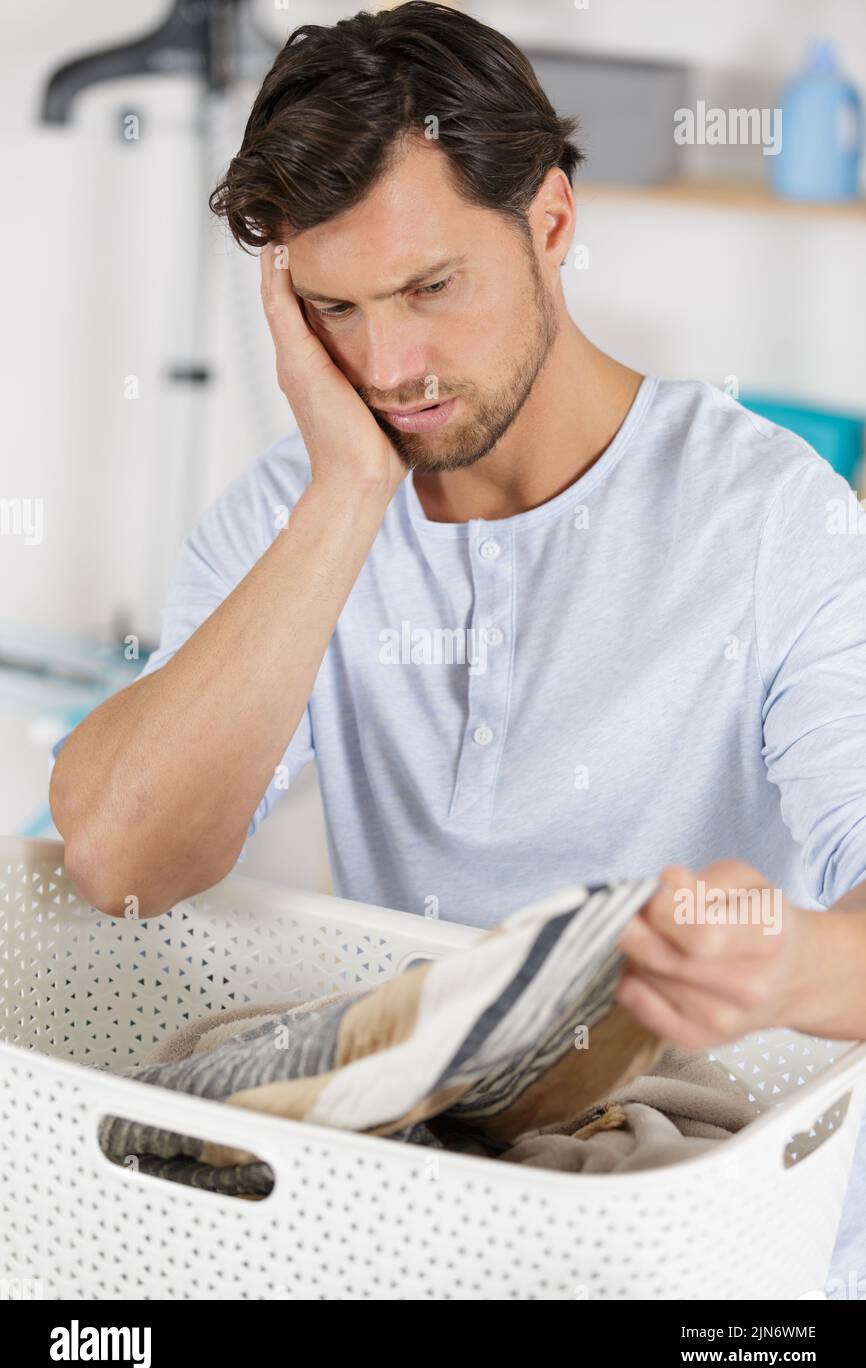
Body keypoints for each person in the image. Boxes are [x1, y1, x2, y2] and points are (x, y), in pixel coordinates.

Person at [50, 1, 866, 1058]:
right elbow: (122, 862)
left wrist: (786, 961)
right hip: (441, 1169)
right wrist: (346, 495)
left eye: (430, 287)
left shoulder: (769, 514)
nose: (388, 369)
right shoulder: (286, 513)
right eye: (334, 309)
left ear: (552, 223)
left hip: (704, 1178)